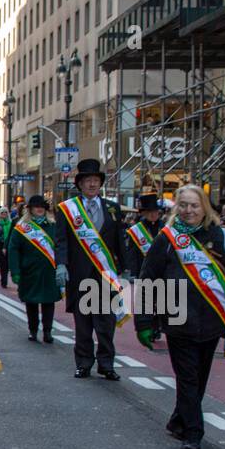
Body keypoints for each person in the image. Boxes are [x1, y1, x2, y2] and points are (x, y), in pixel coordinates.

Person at [136, 184, 225, 449]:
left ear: (204, 207)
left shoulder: (221, 236)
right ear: (177, 208)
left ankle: (179, 420)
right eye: (183, 205)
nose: (189, 211)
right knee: (187, 377)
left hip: (211, 319)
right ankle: (194, 434)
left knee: (199, 378)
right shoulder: (167, 237)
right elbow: (148, 280)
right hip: (177, 318)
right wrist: (144, 322)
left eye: (194, 205)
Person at [56, 158, 125, 380]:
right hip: (79, 273)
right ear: (80, 184)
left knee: (106, 323)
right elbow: (62, 240)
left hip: (106, 274)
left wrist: (126, 269)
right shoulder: (68, 210)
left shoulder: (113, 209)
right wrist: (61, 264)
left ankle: (106, 364)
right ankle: (83, 363)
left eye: (96, 180)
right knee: (83, 325)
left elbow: (119, 241)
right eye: (88, 180)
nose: (92, 184)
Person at [9, 194, 61, 343]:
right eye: (36, 207)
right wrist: (15, 271)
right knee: (31, 302)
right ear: (30, 209)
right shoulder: (21, 228)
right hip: (29, 271)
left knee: (49, 302)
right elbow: (13, 250)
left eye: (42, 207)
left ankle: (47, 331)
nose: (39, 209)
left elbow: (60, 246)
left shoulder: (53, 226)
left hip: (49, 270)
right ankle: (33, 330)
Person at [123, 194, 164, 342]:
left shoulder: (165, 228)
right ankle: (150, 327)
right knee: (147, 301)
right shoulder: (136, 230)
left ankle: (158, 325)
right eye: (150, 212)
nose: (153, 214)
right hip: (144, 269)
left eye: (156, 212)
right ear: (144, 213)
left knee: (161, 301)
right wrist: (134, 272)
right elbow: (132, 253)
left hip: (162, 271)